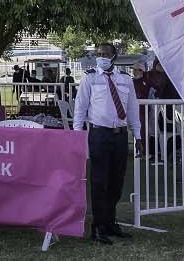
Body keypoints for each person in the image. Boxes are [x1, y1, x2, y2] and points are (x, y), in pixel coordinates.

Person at [73, 43, 141, 245]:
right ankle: (98, 226)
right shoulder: (90, 77)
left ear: (114, 56)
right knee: (99, 181)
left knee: (116, 181)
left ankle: (110, 223)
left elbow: (132, 109)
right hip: (99, 135)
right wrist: (78, 136)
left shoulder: (125, 79)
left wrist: (138, 136)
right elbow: (80, 108)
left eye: (105, 54)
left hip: (119, 136)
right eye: (98, 54)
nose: (101, 57)